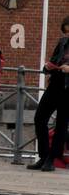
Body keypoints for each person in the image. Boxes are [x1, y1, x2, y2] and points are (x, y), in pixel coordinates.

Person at [29, 15, 69, 172]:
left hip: (68, 90)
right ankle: (44, 155)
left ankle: (52, 159)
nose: (67, 35)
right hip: (56, 84)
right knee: (39, 118)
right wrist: (48, 66)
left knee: (61, 124)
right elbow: (54, 59)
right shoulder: (62, 43)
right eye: (65, 32)